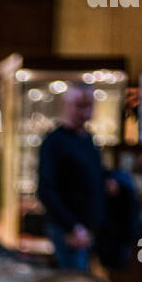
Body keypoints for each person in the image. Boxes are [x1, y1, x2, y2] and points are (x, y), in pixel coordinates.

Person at [38, 83, 106, 271]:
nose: (84, 112)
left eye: (88, 105)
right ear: (65, 105)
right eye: (79, 105)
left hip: (88, 227)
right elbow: (46, 189)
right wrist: (71, 226)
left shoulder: (87, 139)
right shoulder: (55, 142)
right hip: (69, 229)